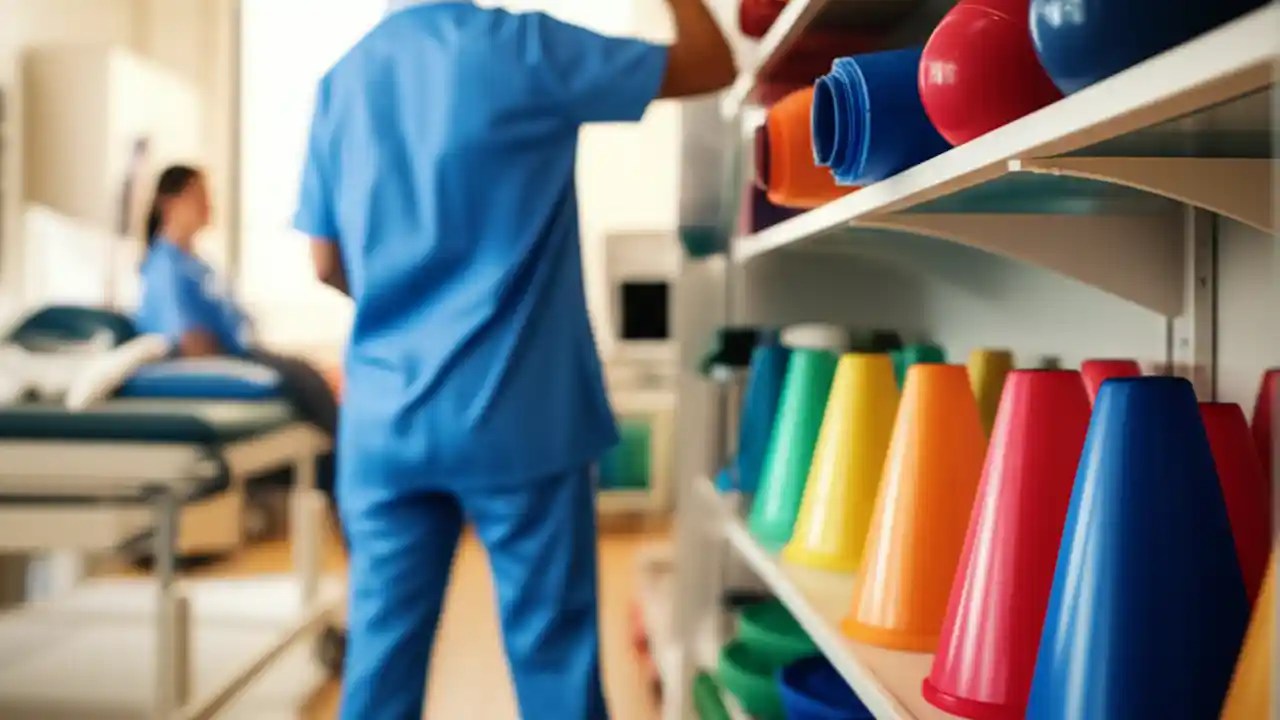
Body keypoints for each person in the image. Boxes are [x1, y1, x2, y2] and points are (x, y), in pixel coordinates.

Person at [293, 0, 734, 717]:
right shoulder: (523, 48)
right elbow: (711, 63)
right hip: (514, 413)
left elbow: (323, 261)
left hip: (386, 420)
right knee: (553, 656)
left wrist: (406, 303)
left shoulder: (343, 81)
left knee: (379, 664)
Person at [136, 165, 341, 529]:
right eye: (198, 195)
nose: (208, 204)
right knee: (307, 381)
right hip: (223, 365)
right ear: (169, 202)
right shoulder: (165, 267)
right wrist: (233, 367)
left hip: (242, 355)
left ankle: (347, 488)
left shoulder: (197, 264)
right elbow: (188, 342)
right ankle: (350, 492)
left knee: (314, 377)